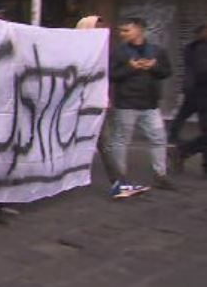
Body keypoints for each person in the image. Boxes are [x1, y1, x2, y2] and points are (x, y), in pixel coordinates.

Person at [76, 16, 149, 198]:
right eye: (97, 28)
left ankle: (119, 183)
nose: (102, 31)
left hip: (95, 106)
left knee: (105, 143)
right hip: (76, 107)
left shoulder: (101, 51)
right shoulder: (77, 52)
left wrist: (104, 97)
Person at [109, 17, 175, 190]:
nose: (122, 34)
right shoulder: (119, 52)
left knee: (159, 138)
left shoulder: (156, 50)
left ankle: (160, 175)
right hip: (126, 103)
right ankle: (119, 176)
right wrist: (131, 67)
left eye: (126, 30)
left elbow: (166, 72)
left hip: (150, 104)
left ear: (139, 30)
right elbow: (111, 75)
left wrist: (153, 66)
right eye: (121, 30)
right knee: (121, 140)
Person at [171, 24, 207, 175]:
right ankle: (182, 150)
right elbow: (201, 71)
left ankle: (183, 150)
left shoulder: (194, 48)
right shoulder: (198, 49)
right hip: (200, 94)